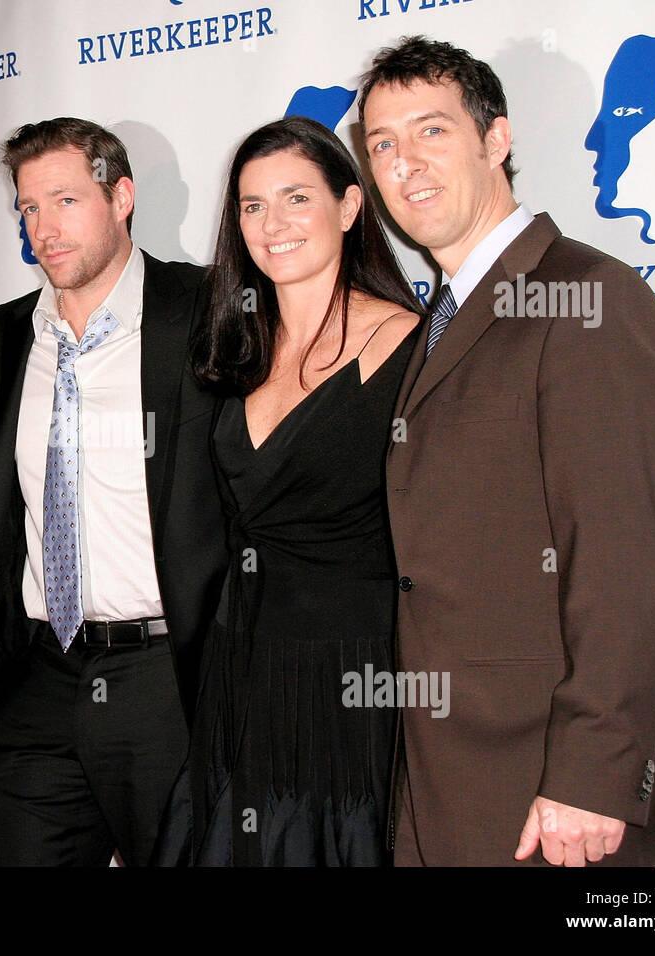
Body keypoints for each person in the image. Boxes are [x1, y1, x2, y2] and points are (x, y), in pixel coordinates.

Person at [357, 35, 655, 866]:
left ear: (497, 140)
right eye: (381, 144)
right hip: (439, 783)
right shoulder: (439, 322)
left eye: (431, 131)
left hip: (548, 798)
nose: (404, 163)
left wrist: (592, 777)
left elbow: (626, 558)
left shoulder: (587, 297)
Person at [162, 116, 422, 866]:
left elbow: (482, 503)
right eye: (251, 206)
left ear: (348, 208)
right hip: (239, 668)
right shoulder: (232, 345)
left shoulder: (409, 345)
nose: (271, 225)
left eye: (296, 199)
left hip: (353, 681)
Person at [0, 117, 227, 866]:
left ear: (121, 196)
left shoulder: (203, 312)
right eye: (28, 208)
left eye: (64, 200)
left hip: (163, 678)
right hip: (43, 673)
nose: (43, 229)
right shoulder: (4, 336)